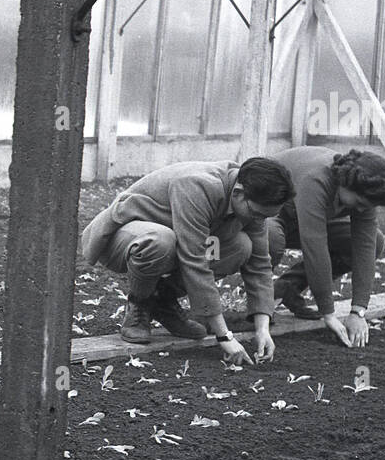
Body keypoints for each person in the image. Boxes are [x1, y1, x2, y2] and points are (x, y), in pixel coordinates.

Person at [80, 156, 294, 366]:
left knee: (240, 246)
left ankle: (163, 300)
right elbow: (195, 259)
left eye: (265, 216)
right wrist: (224, 336)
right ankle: (140, 303)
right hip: (126, 234)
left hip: (175, 239)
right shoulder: (198, 186)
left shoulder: (252, 200)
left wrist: (262, 329)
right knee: (161, 241)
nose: (259, 220)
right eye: (256, 213)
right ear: (238, 193)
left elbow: (259, 264)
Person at [263, 146, 385, 349]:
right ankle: (259, 305)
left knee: (376, 242)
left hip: (301, 221)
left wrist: (358, 311)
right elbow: (315, 249)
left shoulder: (361, 193)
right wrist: (329, 313)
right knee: (271, 237)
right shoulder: (317, 179)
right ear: (346, 184)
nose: (361, 209)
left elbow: (365, 247)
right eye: (360, 202)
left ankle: (287, 287)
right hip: (271, 215)